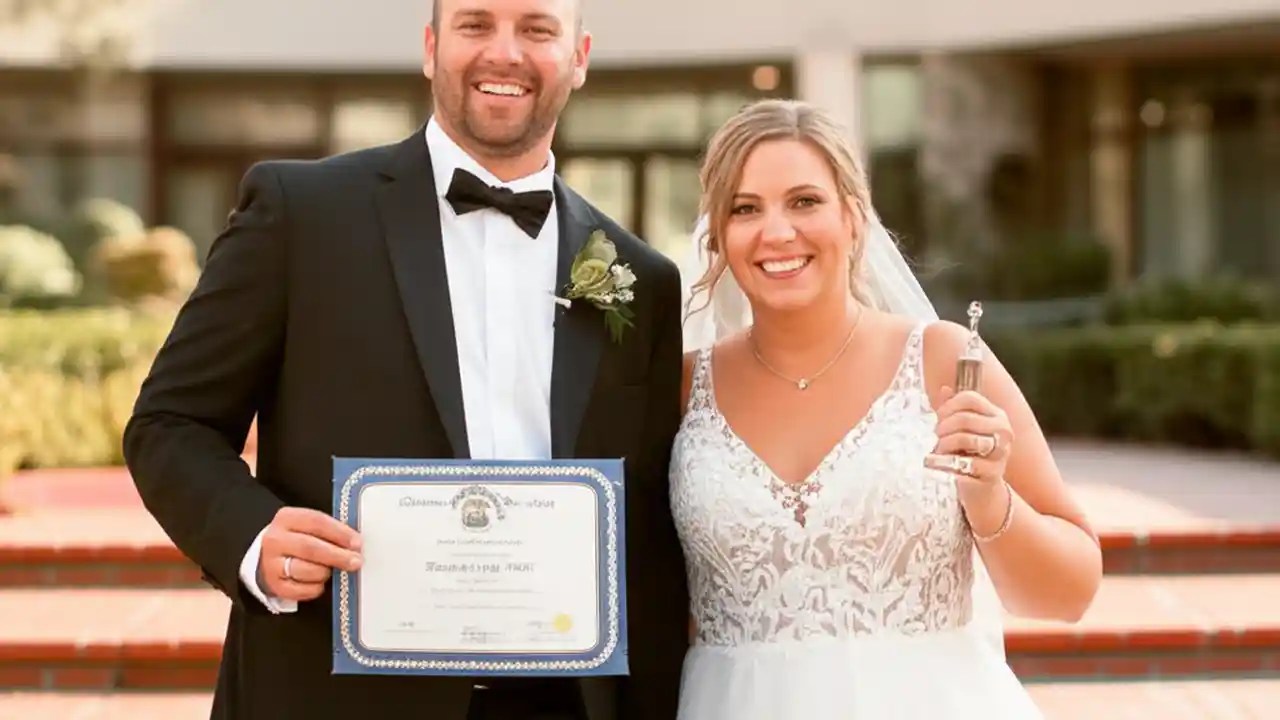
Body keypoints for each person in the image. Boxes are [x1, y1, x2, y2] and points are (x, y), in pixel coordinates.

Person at [122, 0, 689, 718]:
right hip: (337, 695)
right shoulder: (301, 214)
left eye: (537, 29)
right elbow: (171, 423)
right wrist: (253, 534)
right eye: (475, 24)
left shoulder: (640, 277)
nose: (505, 52)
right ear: (430, 47)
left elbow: (646, 526)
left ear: (578, 58)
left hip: (564, 701)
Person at [670, 99, 1103, 719]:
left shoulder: (943, 361)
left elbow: (1071, 593)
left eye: (804, 201)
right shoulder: (683, 389)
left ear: (853, 218)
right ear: (718, 234)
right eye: (745, 208)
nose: (777, 231)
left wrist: (989, 499)